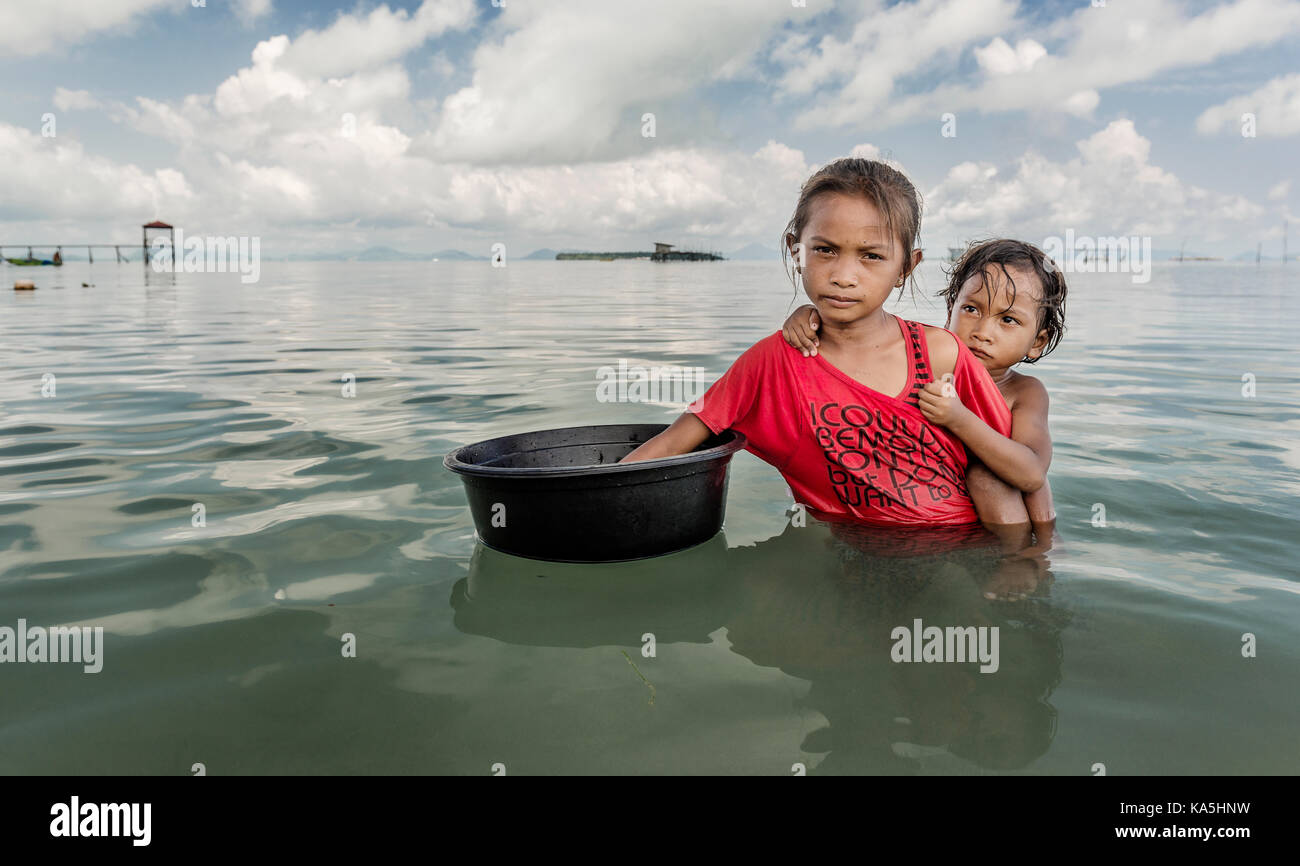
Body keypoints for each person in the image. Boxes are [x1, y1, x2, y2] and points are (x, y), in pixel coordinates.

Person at [620, 158, 1013, 533]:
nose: (843, 276)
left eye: (871, 256)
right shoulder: (772, 364)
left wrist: (1027, 564)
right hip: (854, 555)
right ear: (796, 250)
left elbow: (1013, 469)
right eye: (825, 250)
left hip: (964, 546)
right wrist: (588, 493)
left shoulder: (940, 353)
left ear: (906, 267)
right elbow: (676, 440)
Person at [780, 239, 1067, 550]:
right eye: (971, 309)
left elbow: (1032, 474)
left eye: (1008, 320)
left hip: (1006, 527)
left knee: (989, 479)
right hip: (924, 512)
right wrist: (813, 318)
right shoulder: (928, 359)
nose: (983, 331)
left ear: (1038, 341)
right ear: (950, 311)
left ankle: (1028, 558)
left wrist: (958, 418)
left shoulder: (1024, 392)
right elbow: (869, 341)